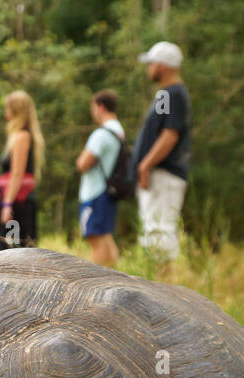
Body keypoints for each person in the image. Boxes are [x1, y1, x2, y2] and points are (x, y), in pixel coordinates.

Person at [130, 41, 191, 261]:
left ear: (162, 66)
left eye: (152, 64)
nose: (149, 69)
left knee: (160, 231)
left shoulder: (173, 94)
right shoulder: (165, 95)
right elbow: (160, 130)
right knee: (152, 230)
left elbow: (170, 134)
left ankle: (164, 285)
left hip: (163, 174)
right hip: (158, 175)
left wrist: (146, 165)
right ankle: (156, 281)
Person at [0, 90, 44, 252]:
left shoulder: (21, 137)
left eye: (7, 108)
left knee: (14, 250)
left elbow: (17, 174)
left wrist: (7, 204)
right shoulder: (23, 136)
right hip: (18, 200)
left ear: (15, 110)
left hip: (17, 202)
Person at [75, 89, 125, 267]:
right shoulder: (119, 131)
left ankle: (96, 286)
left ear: (100, 107)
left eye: (93, 107)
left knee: (96, 241)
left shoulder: (102, 134)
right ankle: (116, 277)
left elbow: (82, 163)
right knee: (106, 238)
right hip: (108, 193)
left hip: (95, 192)